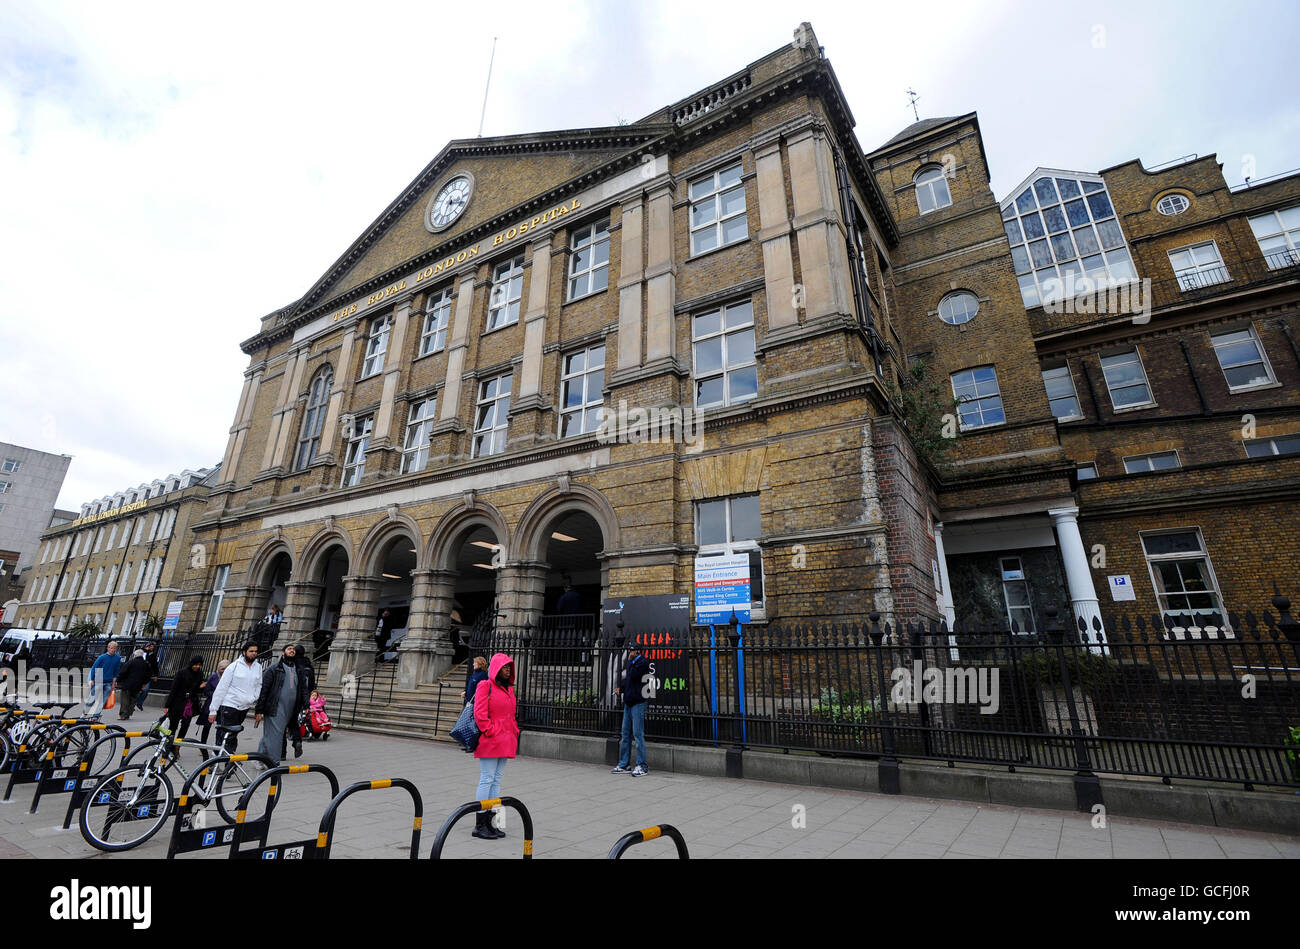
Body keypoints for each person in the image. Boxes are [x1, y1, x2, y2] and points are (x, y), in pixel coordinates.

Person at [471, 653, 519, 840]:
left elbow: (511, 714)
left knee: (497, 779)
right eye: (505, 667)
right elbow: (480, 713)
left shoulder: (509, 689)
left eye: (510, 667)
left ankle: (492, 823)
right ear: (497, 668)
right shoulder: (485, 685)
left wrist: (514, 729)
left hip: (506, 739)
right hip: (492, 740)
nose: (508, 670)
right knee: (487, 778)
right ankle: (480, 824)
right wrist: (490, 730)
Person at [255, 643, 314, 764]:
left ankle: (259, 759)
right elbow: (264, 690)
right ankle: (274, 763)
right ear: (283, 653)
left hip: (292, 708)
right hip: (275, 707)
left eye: (293, 649)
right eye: (289, 649)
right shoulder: (274, 669)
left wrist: (306, 705)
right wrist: (259, 709)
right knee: (277, 734)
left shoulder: (299, 670)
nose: (292, 651)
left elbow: (303, 689)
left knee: (271, 734)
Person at [209, 642, 263, 753]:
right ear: (244, 652)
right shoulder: (234, 667)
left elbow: (259, 684)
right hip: (230, 705)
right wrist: (213, 710)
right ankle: (218, 761)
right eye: (251, 651)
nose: (254, 653)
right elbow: (221, 688)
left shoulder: (258, 667)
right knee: (227, 735)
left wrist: (254, 697)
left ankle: (227, 761)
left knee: (233, 734)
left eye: (256, 651)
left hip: (244, 707)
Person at [611, 641, 651, 777]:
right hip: (628, 702)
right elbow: (629, 680)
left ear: (638, 652)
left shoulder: (643, 663)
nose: (629, 653)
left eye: (632, 651)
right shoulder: (632, 663)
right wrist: (621, 689)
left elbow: (634, 675)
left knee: (638, 734)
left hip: (638, 702)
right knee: (625, 734)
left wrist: (630, 662)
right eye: (629, 651)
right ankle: (624, 764)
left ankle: (642, 765)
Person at [162, 656, 205, 740]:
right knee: (173, 725)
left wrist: (201, 687)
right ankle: (169, 744)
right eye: (196, 664)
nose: (197, 667)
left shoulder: (200, 674)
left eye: (199, 665)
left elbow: (196, 691)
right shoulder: (182, 673)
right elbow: (174, 689)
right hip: (177, 703)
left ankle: (177, 746)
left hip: (189, 704)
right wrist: (167, 705)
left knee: (185, 725)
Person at [85, 641, 122, 719]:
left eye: (114, 648)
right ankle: (85, 713)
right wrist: (91, 679)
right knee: (92, 699)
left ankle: (95, 716)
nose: (112, 650)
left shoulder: (118, 658)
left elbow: (116, 671)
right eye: (111, 648)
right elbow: (94, 668)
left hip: (108, 682)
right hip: (98, 680)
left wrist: (113, 683)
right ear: (108, 648)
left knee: (102, 701)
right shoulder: (101, 657)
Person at [196, 659, 227, 745]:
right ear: (218, 668)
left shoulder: (230, 677)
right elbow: (206, 691)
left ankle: (218, 745)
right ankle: (203, 745)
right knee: (207, 726)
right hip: (211, 704)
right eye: (222, 668)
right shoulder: (214, 676)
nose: (224, 671)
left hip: (223, 705)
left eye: (226, 669)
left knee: (221, 727)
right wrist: (217, 695)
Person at [116, 649, 151, 721]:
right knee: (133, 700)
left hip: (128, 684)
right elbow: (148, 675)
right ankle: (129, 713)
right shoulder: (146, 664)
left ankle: (123, 714)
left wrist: (118, 680)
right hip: (138, 685)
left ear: (135, 655)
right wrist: (144, 683)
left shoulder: (131, 662)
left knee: (125, 699)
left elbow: (123, 672)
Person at [135, 641, 160, 711]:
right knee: (136, 689)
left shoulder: (153, 655)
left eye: (153, 647)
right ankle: (132, 702)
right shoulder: (141, 652)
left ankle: (139, 703)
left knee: (145, 690)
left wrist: (155, 674)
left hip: (147, 674)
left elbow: (155, 665)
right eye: (151, 646)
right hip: (138, 673)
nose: (152, 648)